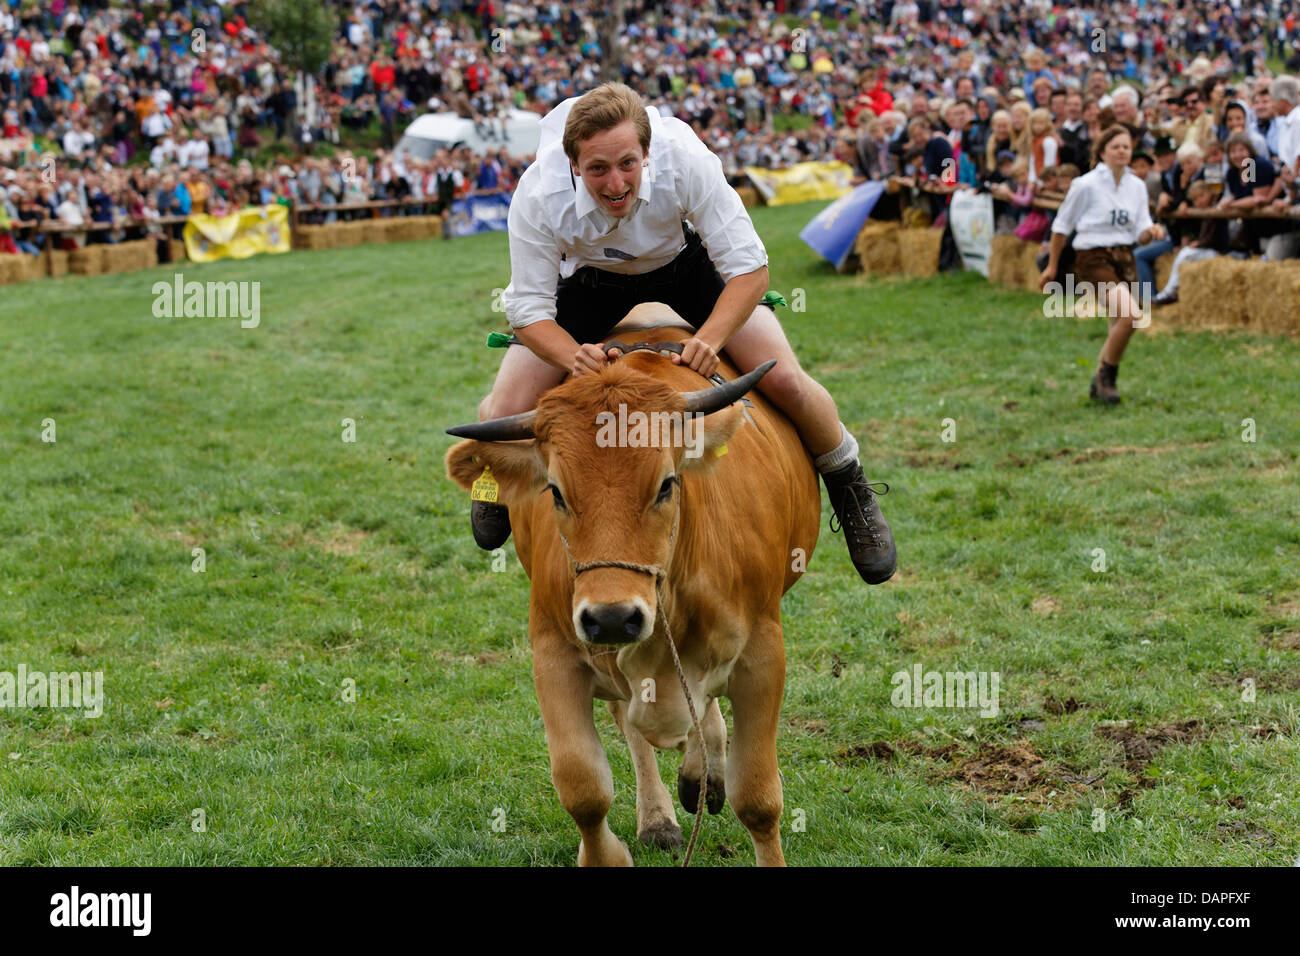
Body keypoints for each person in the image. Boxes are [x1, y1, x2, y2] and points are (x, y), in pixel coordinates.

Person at [475, 83, 897, 584]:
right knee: (500, 412)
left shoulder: (687, 158)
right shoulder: (537, 191)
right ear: (572, 164)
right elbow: (527, 307)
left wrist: (711, 339)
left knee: (786, 381)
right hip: (587, 281)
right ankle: (488, 489)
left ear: (647, 152)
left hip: (684, 266)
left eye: (627, 163)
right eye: (597, 169)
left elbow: (751, 270)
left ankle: (852, 490)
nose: (615, 183)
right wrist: (572, 355)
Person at [1039, 125, 1167, 404]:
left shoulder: (1136, 186)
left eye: (1126, 147)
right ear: (1101, 152)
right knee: (1131, 316)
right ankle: (1107, 376)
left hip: (1124, 255)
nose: (1122, 152)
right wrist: (1052, 266)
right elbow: (1061, 226)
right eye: (1115, 147)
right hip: (1092, 256)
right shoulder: (1085, 185)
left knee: (1119, 321)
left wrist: (1152, 232)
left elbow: (1140, 231)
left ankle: (1101, 382)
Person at [1152, 181, 1229, 306]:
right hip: (1206, 249)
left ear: (1210, 194)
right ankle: (1168, 291)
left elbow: (1213, 238)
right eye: (1195, 199)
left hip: (1217, 251)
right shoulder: (1201, 211)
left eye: (1201, 196)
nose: (1199, 201)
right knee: (1185, 253)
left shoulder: (1217, 210)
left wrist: (1198, 244)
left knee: (1185, 254)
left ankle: (1169, 291)